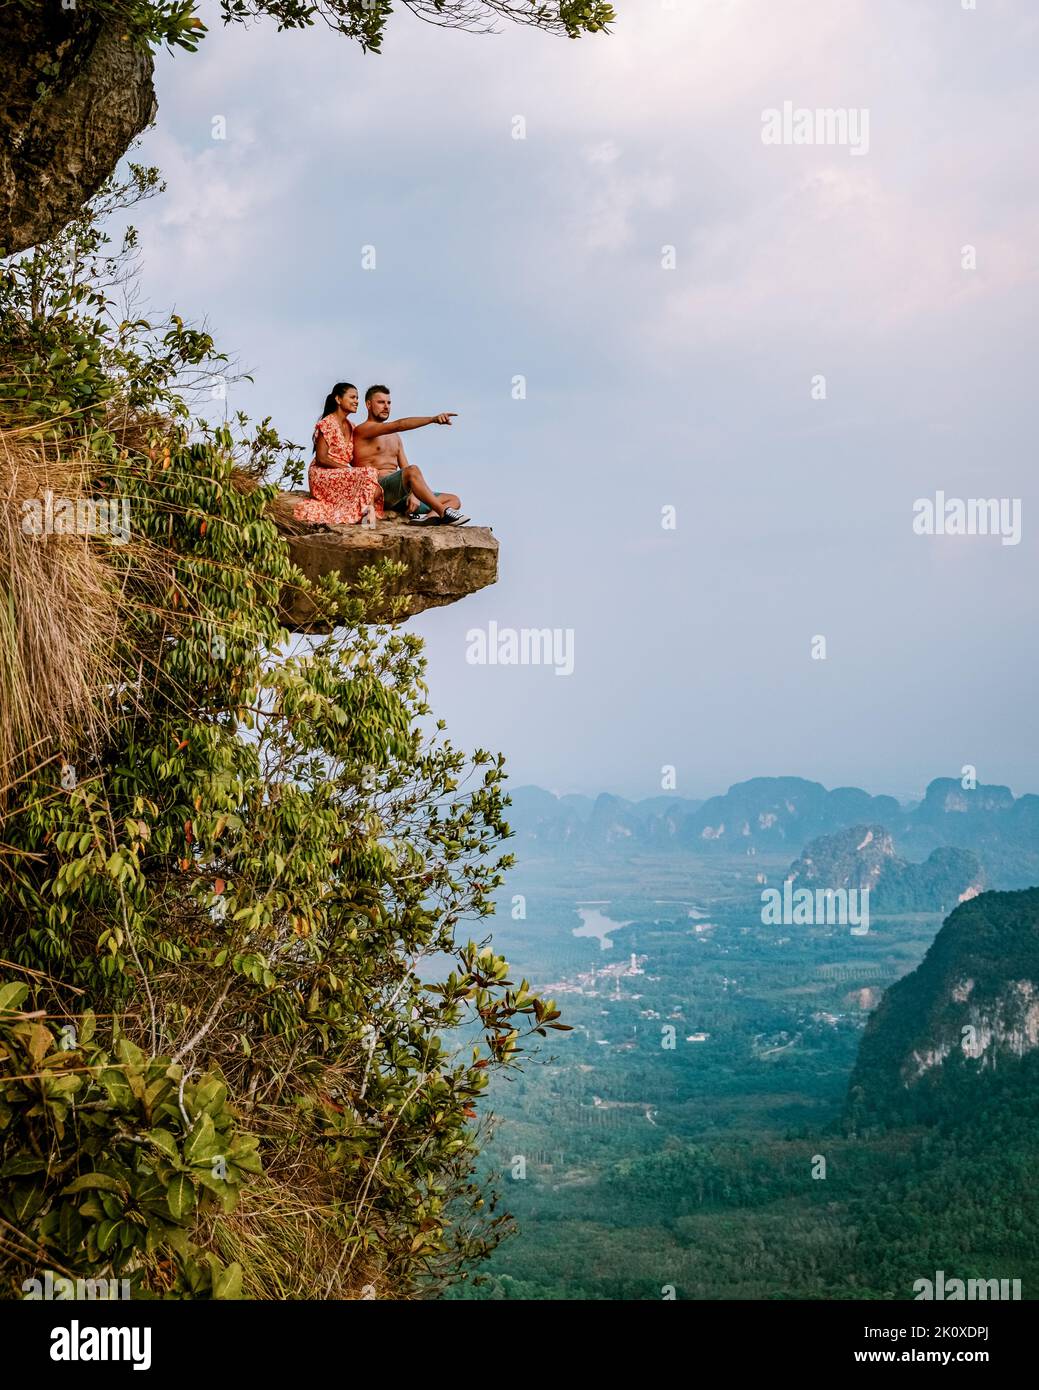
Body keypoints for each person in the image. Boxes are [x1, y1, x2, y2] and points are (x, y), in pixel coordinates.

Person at [352, 385, 469, 526]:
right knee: (413, 470)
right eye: (381, 402)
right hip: (379, 490)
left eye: (389, 403)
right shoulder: (363, 430)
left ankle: (426, 520)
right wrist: (432, 419)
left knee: (454, 500)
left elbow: (405, 467)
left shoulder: (395, 437)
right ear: (368, 404)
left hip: (401, 495)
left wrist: (414, 494)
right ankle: (443, 511)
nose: (386, 407)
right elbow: (398, 425)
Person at [294, 383, 384, 526]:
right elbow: (321, 458)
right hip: (322, 473)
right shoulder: (327, 423)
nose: (356, 401)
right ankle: (368, 520)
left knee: (375, 484)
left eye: (357, 398)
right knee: (369, 474)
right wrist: (346, 468)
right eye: (352, 397)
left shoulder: (352, 427)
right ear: (338, 399)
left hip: (340, 473)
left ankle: (359, 513)